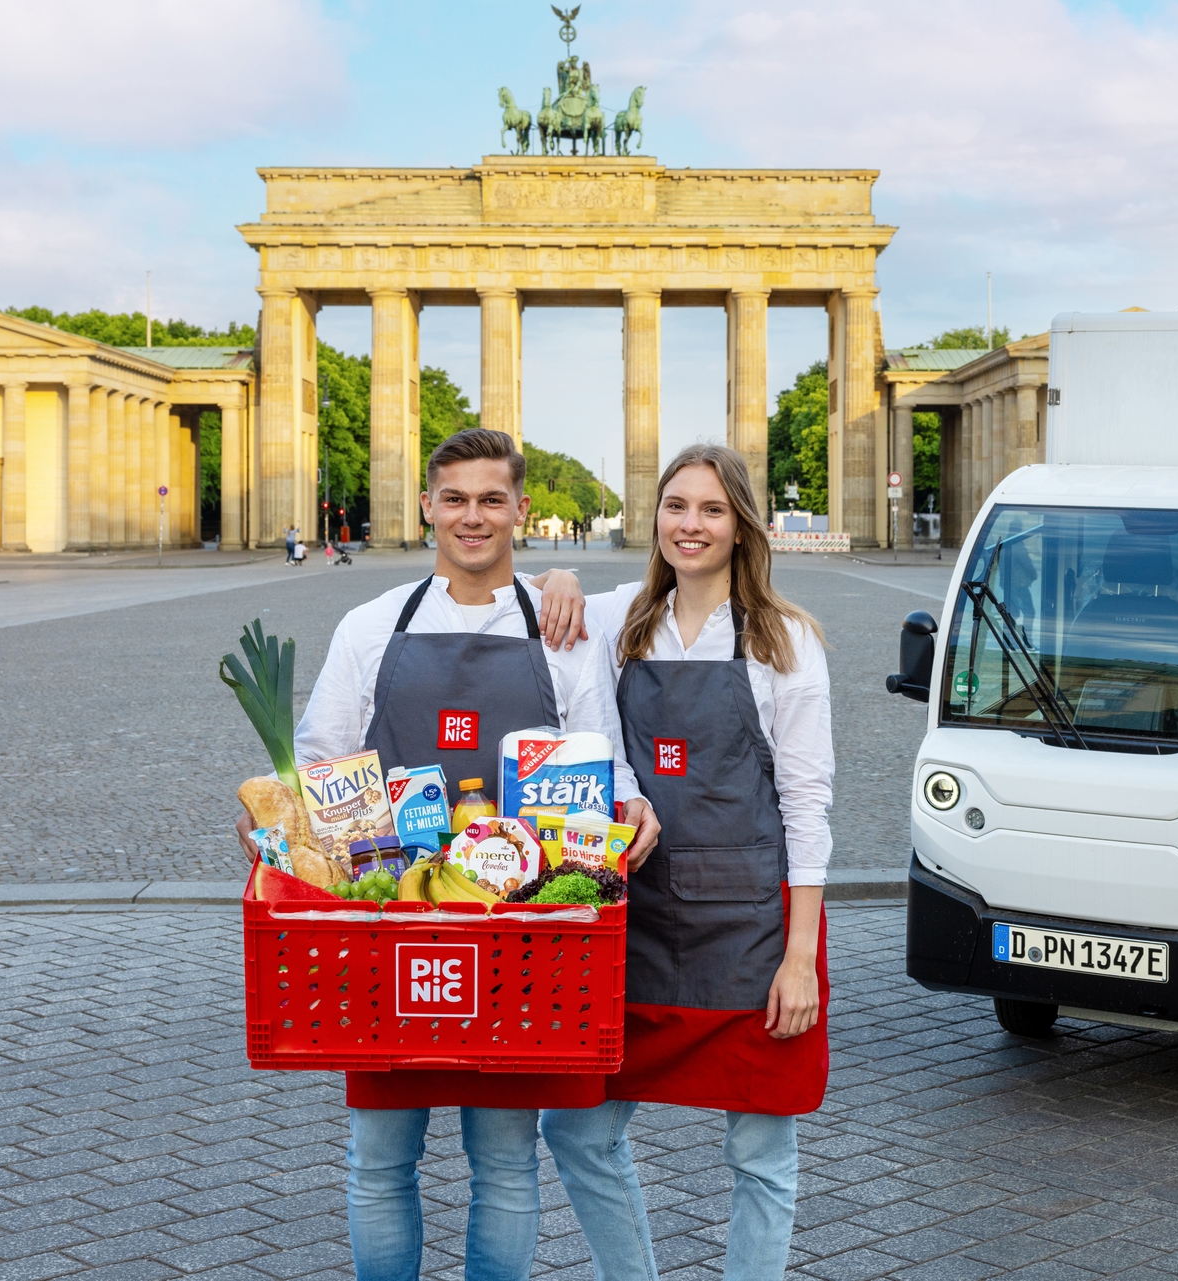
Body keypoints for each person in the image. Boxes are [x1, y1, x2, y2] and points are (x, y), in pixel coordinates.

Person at [250, 427, 661, 1281]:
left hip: (522, 937)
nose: (473, 517)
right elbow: (321, 757)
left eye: (491, 499)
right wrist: (282, 821)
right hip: (387, 924)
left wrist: (633, 803)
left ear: (518, 508)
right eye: (456, 499)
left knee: (507, 1163)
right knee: (378, 1155)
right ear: (430, 506)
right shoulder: (369, 627)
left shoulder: (561, 628)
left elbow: (603, 754)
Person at [557, 442, 834, 1279]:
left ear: (742, 525)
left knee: (760, 1148)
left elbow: (808, 805)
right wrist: (558, 579)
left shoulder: (785, 640)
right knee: (576, 1130)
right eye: (677, 505)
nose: (691, 524)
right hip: (638, 924)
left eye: (712, 509)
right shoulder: (618, 621)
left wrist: (800, 959)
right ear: (655, 518)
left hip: (751, 930)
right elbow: (523, 600)